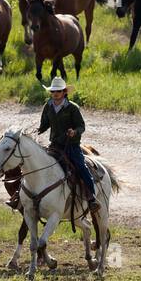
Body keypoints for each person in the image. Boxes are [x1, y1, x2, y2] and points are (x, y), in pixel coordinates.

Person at [36, 76, 99, 214]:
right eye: (53, 91)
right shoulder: (48, 105)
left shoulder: (72, 108)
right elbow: (45, 124)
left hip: (71, 146)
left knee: (81, 167)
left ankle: (91, 198)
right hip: (55, 145)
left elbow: (81, 126)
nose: (55, 94)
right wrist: (37, 130)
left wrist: (74, 132)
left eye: (58, 91)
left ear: (64, 92)